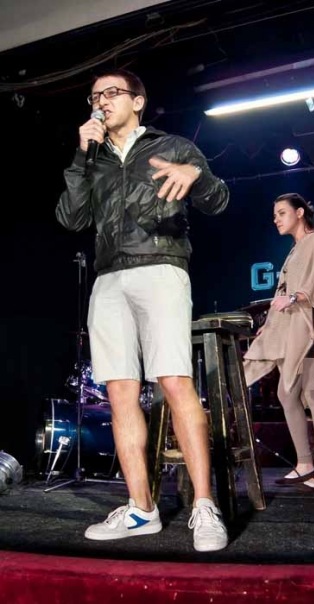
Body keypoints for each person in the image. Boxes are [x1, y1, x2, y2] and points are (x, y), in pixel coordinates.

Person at [56, 68, 229, 552]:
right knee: (119, 391)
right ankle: (140, 509)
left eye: (111, 92)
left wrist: (197, 176)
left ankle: (203, 505)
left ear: (137, 101)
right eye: (95, 95)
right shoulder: (93, 158)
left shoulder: (172, 146)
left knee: (174, 380)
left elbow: (219, 201)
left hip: (161, 266)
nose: (101, 101)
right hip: (109, 276)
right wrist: (81, 155)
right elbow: (71, 217)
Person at [244, 193, 314, 490]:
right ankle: (305, 464)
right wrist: (270, 327)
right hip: (293, 331)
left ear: (300, 213)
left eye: (282, 213)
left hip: (312, 330)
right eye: (274, 214)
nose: (276, 219)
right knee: (287, 394)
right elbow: (285, 292)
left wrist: (294, 298)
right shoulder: (296, 249)